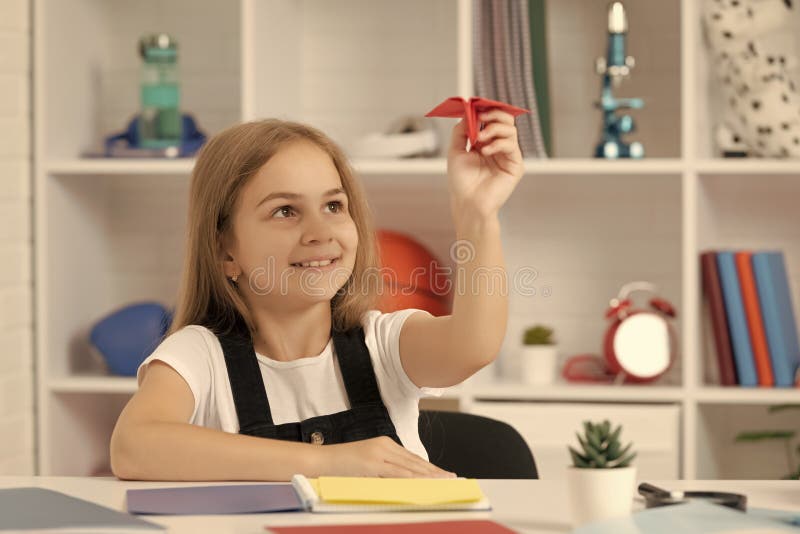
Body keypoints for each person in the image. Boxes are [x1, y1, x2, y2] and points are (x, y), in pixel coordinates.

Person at [110, 110, 524, 481]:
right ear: (224, 251)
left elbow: (474, 344)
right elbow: (133, 447)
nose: (321, 232)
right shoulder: (199, 358)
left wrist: (477, 215)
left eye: (333, 206)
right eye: (285, 211)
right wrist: (330, 463)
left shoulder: (383, 344)